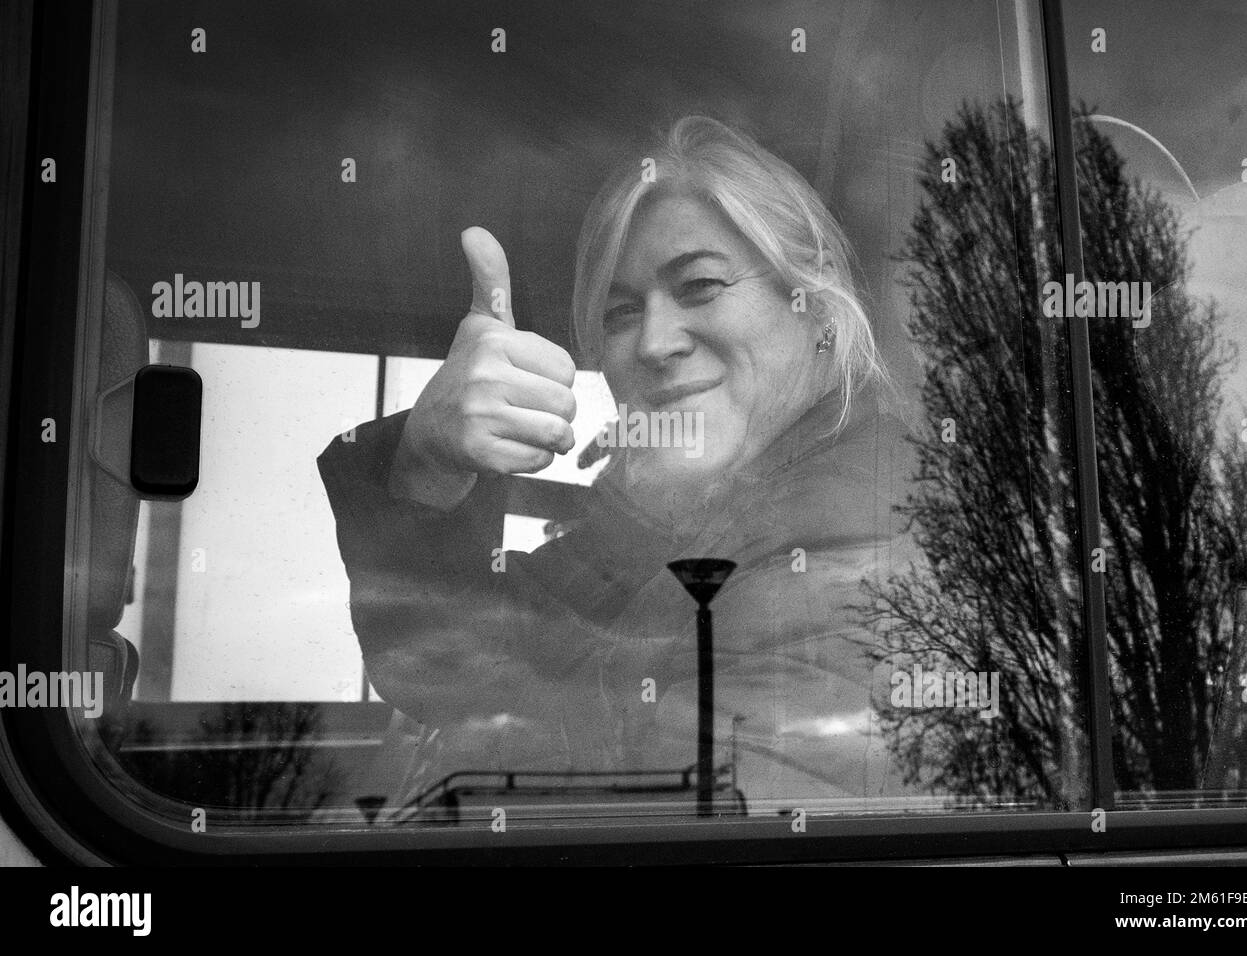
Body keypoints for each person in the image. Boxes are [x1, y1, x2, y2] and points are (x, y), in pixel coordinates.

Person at [317, 115, 917, 811]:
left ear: (819, 310)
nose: (655, 342)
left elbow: (676, 824)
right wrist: (427, 466)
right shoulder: (657, 536)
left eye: (700, 286)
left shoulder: (864, 552)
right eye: (621, 313)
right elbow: (458, 669)